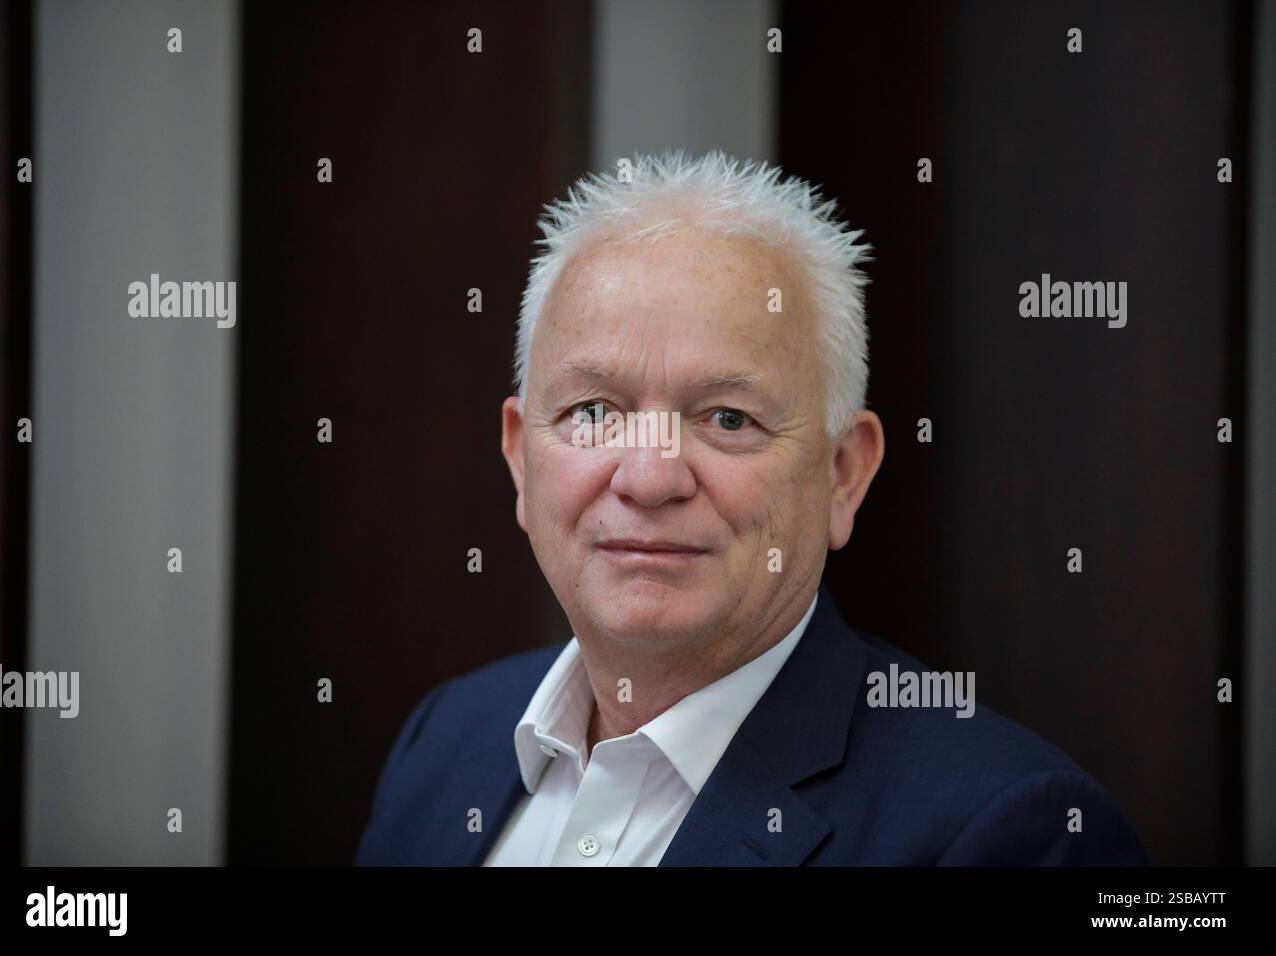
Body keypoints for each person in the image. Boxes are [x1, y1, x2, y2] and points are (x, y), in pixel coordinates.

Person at [355, 151, 1147, 866]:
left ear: (844, 474)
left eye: (728, 419)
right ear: (521, 459)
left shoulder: (1006, 832)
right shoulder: (446, 739)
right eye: (594, 412)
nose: (649, 477)